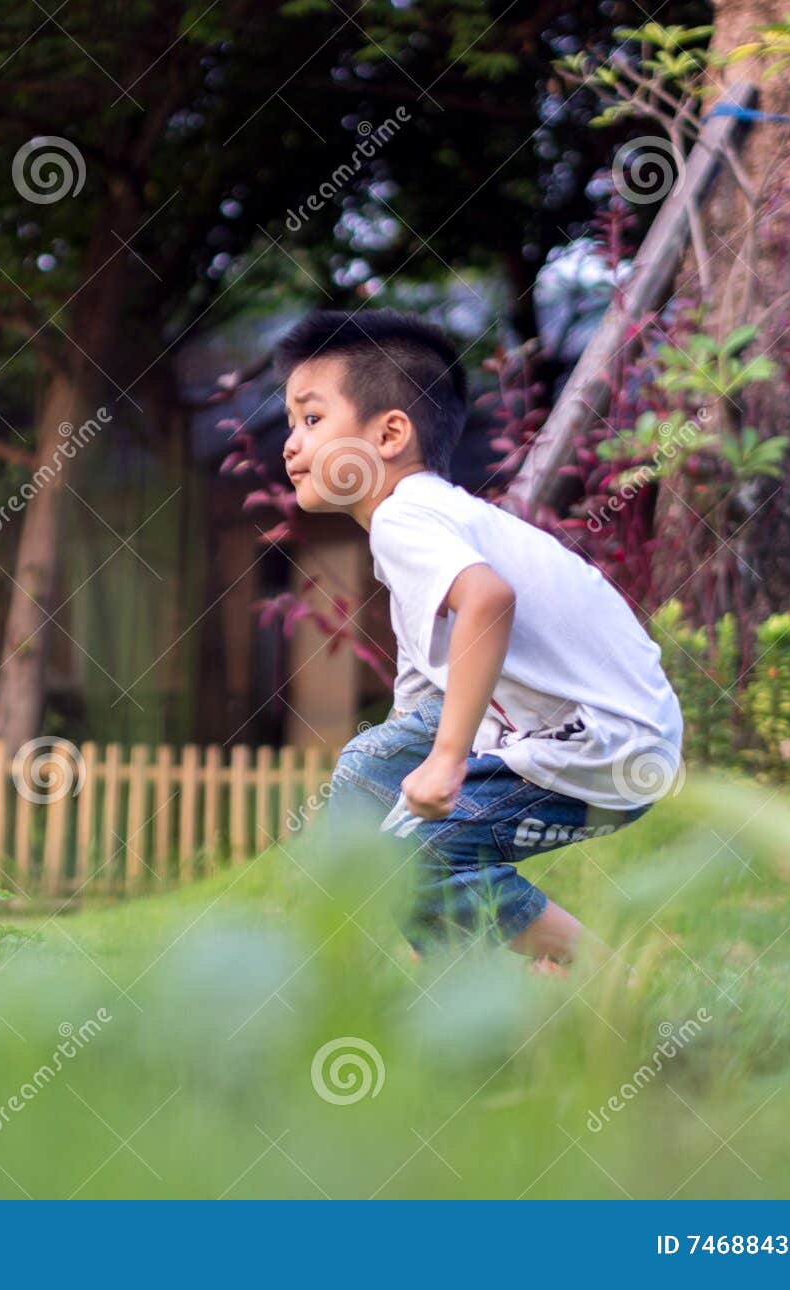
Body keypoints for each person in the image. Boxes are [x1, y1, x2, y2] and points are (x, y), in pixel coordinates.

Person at [277, 309, 683, 968]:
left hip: (605, 740)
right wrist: (410, 765)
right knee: (366, 771)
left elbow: (489, 601)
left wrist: (446, 759)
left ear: (389, 434)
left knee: (420, 856)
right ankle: (409, 962)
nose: (290, 443)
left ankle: (611, 979)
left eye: (312, 419)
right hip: (584, 720)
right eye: (291, 422)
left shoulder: (405, 517)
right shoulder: (432, 518)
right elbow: (417, 703)